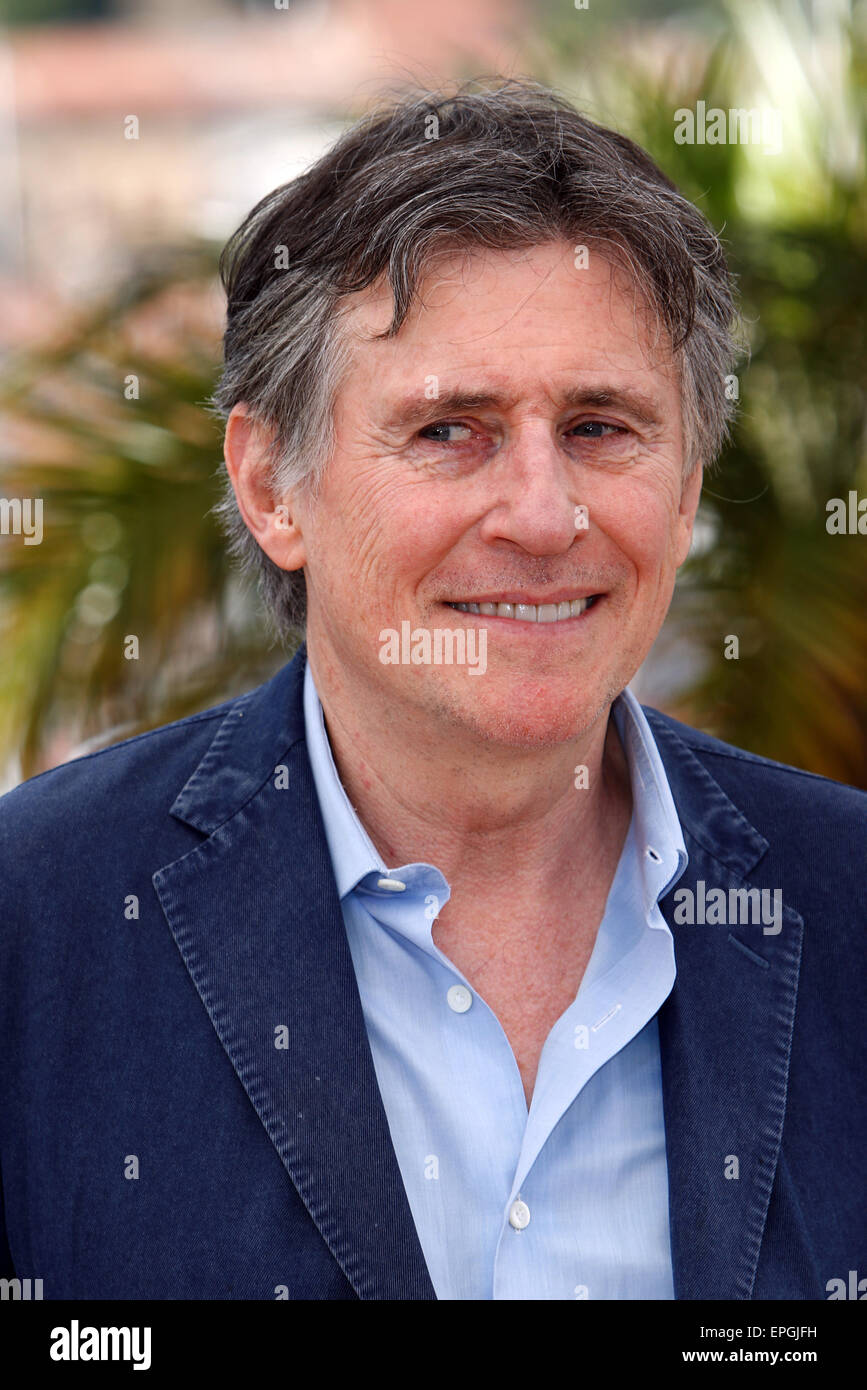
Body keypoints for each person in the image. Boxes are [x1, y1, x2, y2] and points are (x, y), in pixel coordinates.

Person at [0, 80, 863, 1302]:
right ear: (271, 484)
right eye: (451, 429)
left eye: (602, 426)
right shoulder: (36, 925)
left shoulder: (847, 903)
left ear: (684, 490)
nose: (541, 514)